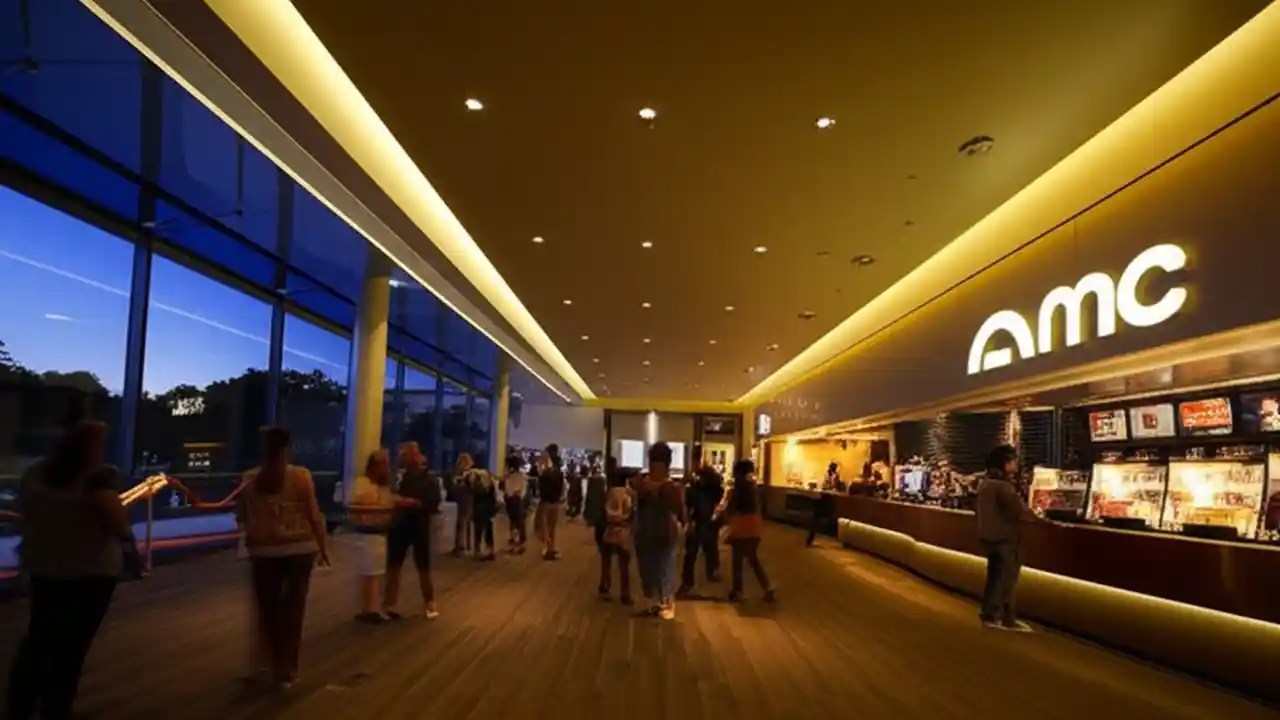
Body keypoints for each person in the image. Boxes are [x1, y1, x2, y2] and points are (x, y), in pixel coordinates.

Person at [7, 421, 142, 719]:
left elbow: (24, 510)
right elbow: (118, 525)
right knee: (71, 650)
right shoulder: (97, 481)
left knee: (39, 638)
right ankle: (55, 710)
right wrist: (132, 553)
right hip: (91, 574)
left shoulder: (36, 474)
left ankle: (20, 705)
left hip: (45, 568)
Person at [239, 426, 330, 689]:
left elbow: (243, 516)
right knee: (293, 611)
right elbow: (313, 515)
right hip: (299, 549)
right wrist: (323, 548)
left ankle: (267, 665)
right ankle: (287, 670)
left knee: (269, 613)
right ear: (288, 447)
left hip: (263, 551)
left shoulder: (249, 478)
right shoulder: (301, 476)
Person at [347, 449, 418, 624]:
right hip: (367, 533)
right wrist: (380, 509)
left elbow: (391, 500)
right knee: (370, 571)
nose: (386, 468)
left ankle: (373, 607)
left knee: (376, 571)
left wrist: (402, 502)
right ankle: (370, 608)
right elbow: (354, 506)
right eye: (383, 464)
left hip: (379, 532)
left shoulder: (382, 487)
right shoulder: (362, 484)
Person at [977, 444, 1037, 632]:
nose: (1016, 465)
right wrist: (1040, 519)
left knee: (994, 578)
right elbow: (1021, 511)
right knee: (1006, 580)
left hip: (989, 538)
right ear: (1004, 464)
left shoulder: (985, 484)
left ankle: (989, 615)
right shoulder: (1003, 487)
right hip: (1005, 538)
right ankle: (1005, 618)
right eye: (1012, 461)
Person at [385, 442, 441, 620]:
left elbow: (433, 502)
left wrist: (414, 503)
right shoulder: (401, 477)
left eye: (407, 455)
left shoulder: (425, 479)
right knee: (397, 564)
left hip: (416, 523)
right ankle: (391, 603)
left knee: (419, 564)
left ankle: (427, 601)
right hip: (403, 524)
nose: (405, 458)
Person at [633, 443, 686, 620]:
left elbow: (678, 510)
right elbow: (680, 512)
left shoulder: (663, 487)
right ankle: (660, 602)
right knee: (657, 569)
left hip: (657, 533)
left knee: (660, 568)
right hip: (656, 533)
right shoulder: (664, 486)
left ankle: (662, 603)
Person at [718, 459, 775, 603]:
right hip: (754, 527)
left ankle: (738, 591)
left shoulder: (737, 490)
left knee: (737, 560)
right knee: (752, 559)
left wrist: (722, 516)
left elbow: (730, 509)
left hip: (741, 528)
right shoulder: (753, 489)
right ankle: (767, 586)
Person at [678, 466, 724, 596]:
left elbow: (688, 505)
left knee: (691, 553)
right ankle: (712, 571)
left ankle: (688, 583)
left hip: (698, 522)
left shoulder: (695, 491)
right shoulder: (714, 491)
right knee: (709, 547)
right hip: (709, 522)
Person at [598, 469, 635, 604]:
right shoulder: (629, 494)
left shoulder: (609, 494)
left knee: (606, 561)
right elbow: (631, 513)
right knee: (624, 565)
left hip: (609, 530)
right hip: (623, 532)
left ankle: (605, 586)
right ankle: (625, 594)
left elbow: (603, 512)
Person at [536, 445, 566, 560]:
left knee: (542, 527)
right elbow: (561, 486)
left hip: (546, 502)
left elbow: (541, 485)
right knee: (552, 527)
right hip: (555, 502)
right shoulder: (558, 470)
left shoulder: (546, 471)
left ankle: (547, 548)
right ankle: (551, 548)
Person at [469, 461, 499, 561]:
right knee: (488, 530)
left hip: (479, 509)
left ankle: (478, 550)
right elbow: (494, 497)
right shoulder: (490, 483)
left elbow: (474, 494)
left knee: (478, 530)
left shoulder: (477, 482)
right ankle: (490, 550)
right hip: (488, 510)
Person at [502, 455, 529, 553]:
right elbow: (522, 490)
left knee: (514, 521)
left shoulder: (510, 477)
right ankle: (517, 542)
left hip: (512, 501)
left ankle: (515, 542)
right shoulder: (521, 476)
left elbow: (508, 490)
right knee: (517, 522)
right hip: (517, 501)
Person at [451, 454, 476, 557]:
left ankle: (462, 546)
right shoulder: (470, 472)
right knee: (465, 522)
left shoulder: (467, 473)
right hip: (467, 499)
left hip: (464, 499)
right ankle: (465, 545)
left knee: (462, 522)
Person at [584, 456, 610, 547]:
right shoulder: (602, 479)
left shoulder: (594, 479)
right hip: (602, 509)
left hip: (597, 508)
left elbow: (589, 496)